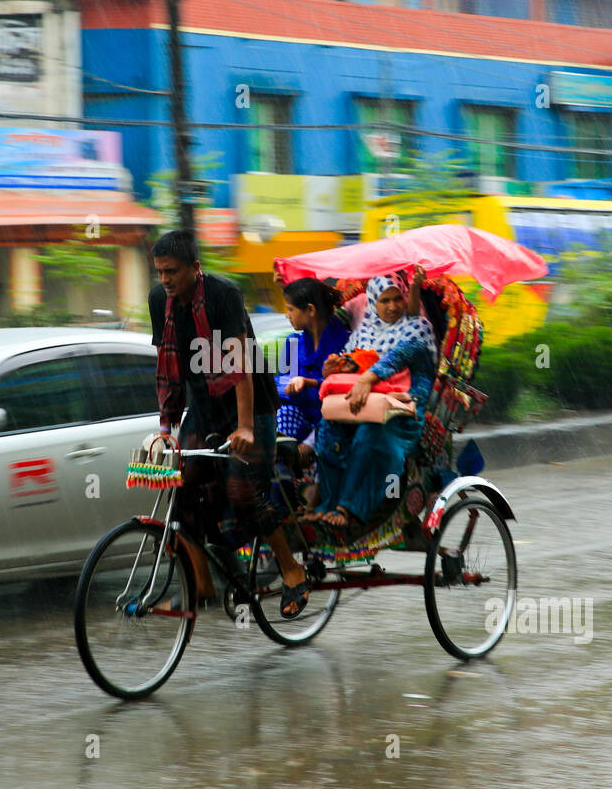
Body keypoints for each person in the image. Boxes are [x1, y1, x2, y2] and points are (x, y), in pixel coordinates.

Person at [150, 230, 314, 617]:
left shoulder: (223, 294)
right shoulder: (161, 299)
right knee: (182, 487)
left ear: (195, 267)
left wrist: (244, 427)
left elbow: (239, 362)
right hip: (203, 404)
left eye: (172, 271)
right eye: (159, 272)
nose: (166, 280)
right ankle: (203, 585)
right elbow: (165, 366)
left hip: (249, 403)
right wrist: (163, 430)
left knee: (243, 492)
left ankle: (292, 570)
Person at [311, 269, 436, 529]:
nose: (392, 306)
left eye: (397, 299)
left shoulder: (419, 327)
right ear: (373, 303)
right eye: (385, 300)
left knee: (370, 436)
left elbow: (400, 356)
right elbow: (351, 358)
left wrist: (368, 379)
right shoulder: (364, 331)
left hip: (402, 409)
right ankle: (329, 504)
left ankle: (350, 509)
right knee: (328, 430)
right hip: (361, 403)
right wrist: (336, 367)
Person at [274, 277, 350, 468]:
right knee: (281, 416)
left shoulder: (345, 343)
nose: (286, 315)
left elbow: (342, 390)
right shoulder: (292, 343)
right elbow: (281, 383)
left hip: (332, 423)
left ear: (310, 310)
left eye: (290, 309)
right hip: (300, 420)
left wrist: (307, 382)